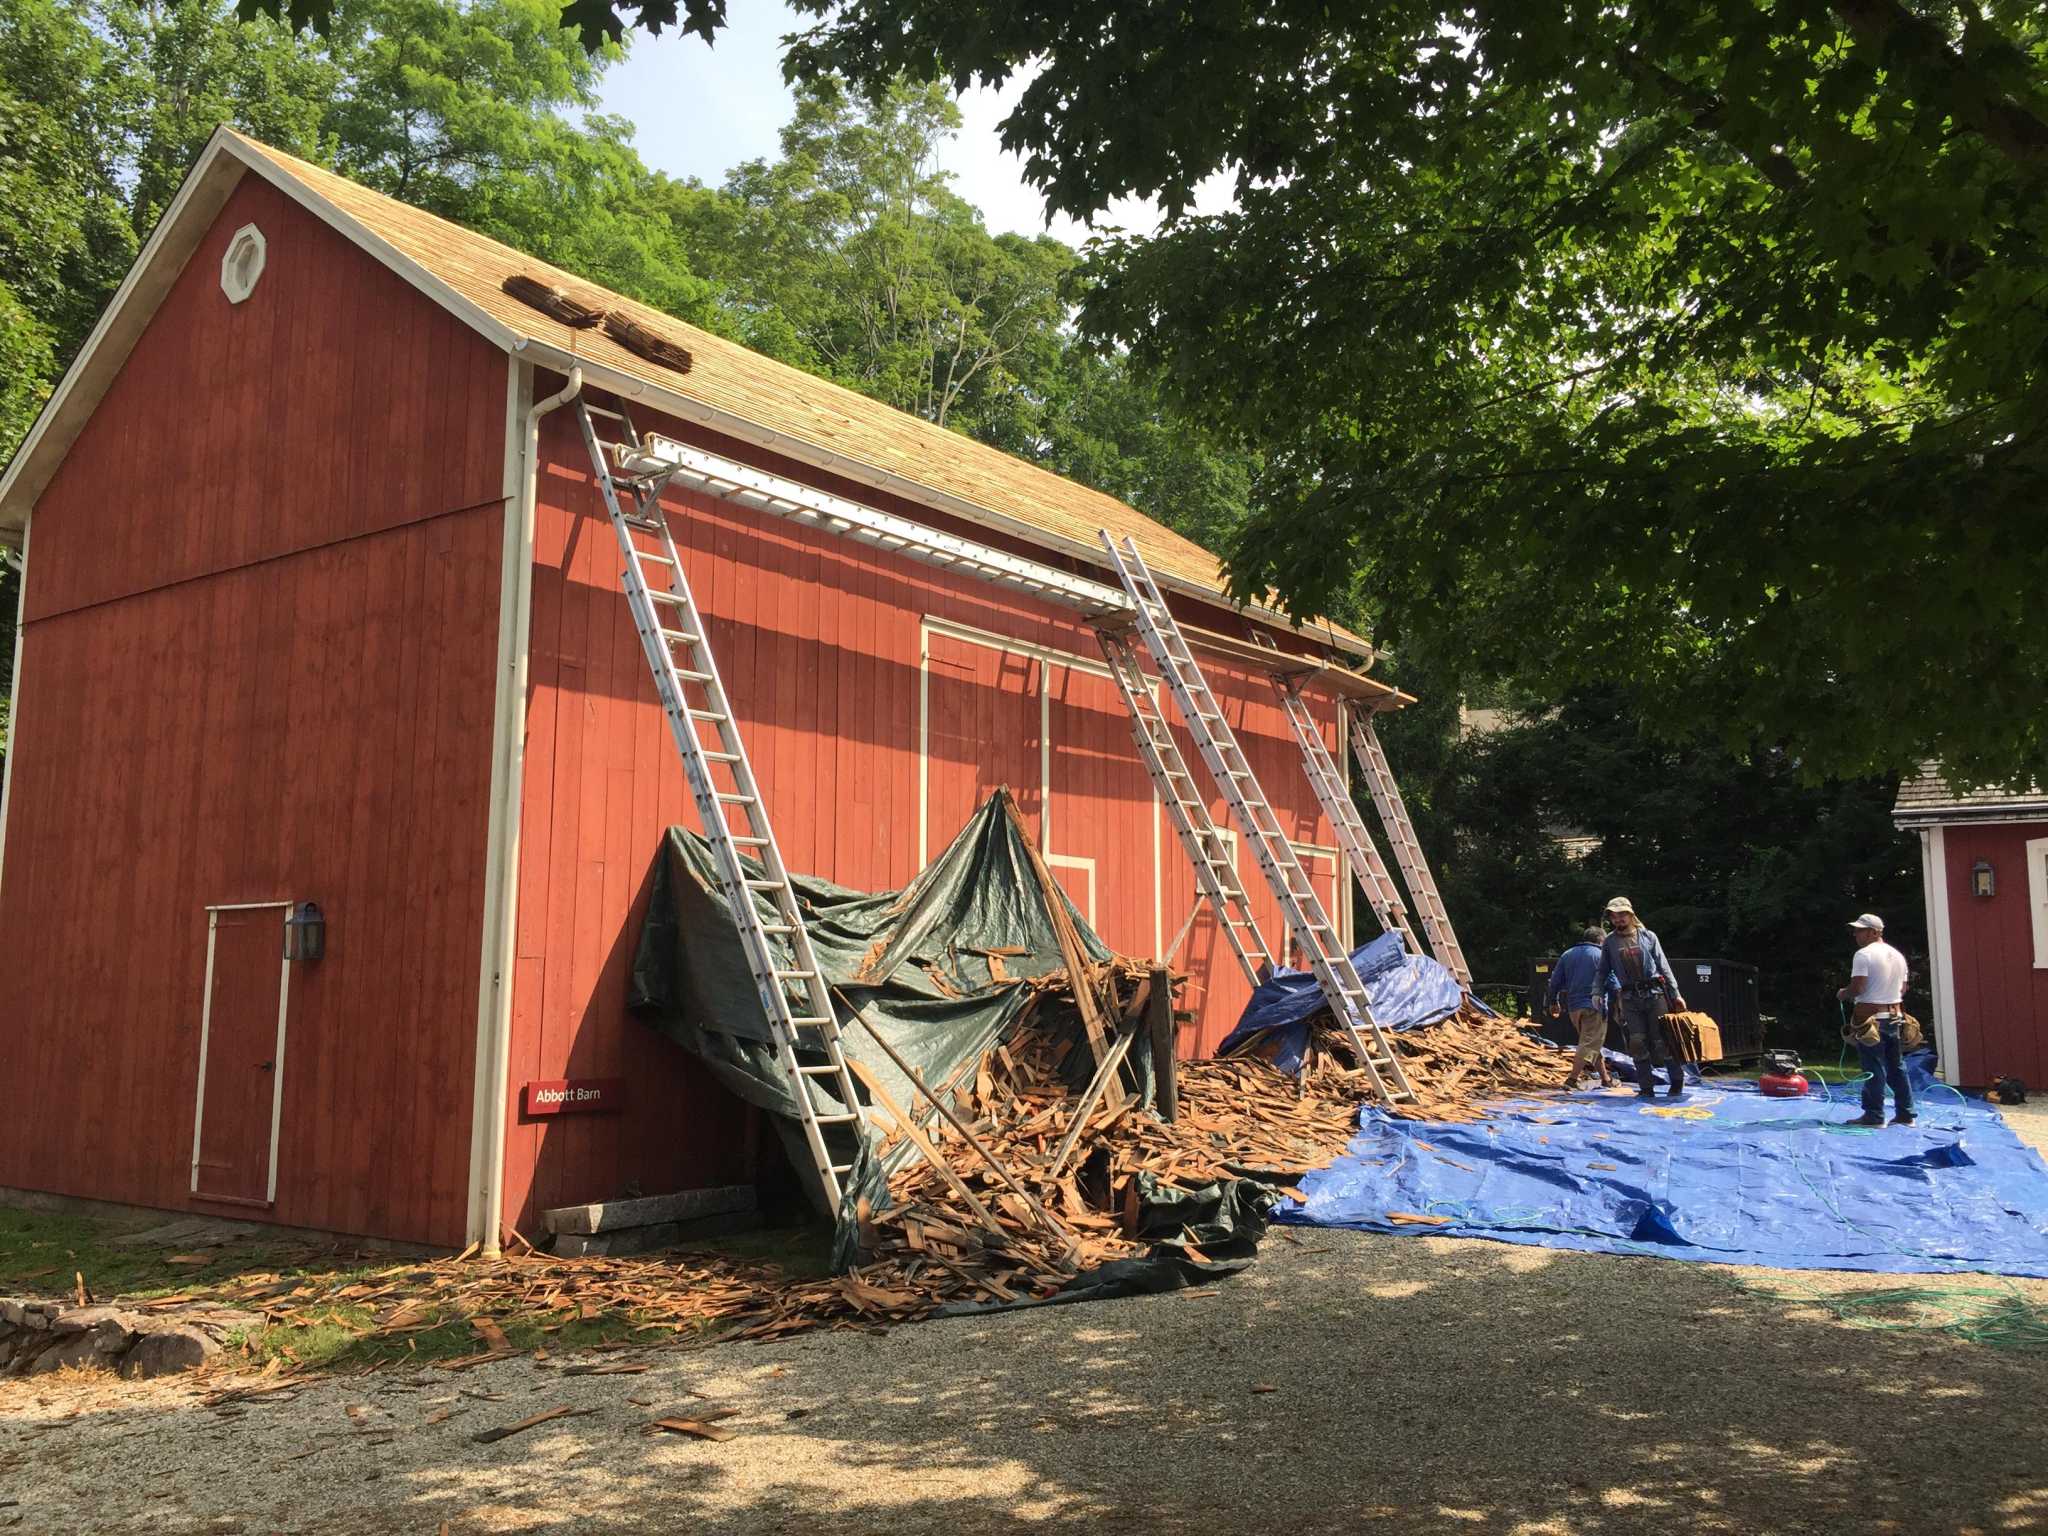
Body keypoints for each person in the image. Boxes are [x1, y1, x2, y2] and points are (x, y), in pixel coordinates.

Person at [1600, 897, 1689, 1098]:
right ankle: (1646, 1087)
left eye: (1622, 914)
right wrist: (1597, 993)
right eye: (1614, 916)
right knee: (1637, 1042)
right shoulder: (1610, 942)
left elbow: (1664, 966)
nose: (1618, 919)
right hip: (1630, 999)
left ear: (1631, 915)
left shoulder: (1649, 937)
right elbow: (1602, 971)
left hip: (1655, 995)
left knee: (1662, 1041)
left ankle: (1677, 1081)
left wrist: (1676, 995)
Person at [1838, 913, 1914, 1127]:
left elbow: (1858, 988)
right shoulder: (1898, 955)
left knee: (1873, 1067)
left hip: (1871, 1021)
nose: (1855, 934)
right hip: (1895, 1017)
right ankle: (1905, 1115)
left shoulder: (1863, 955)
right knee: (1897, 1067)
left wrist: (1844, 993)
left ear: (1874, 932)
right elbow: (1903, 989)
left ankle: (1874, 1116)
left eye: (1860, 930)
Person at [1547, 926, 1615, 1091]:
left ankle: (1605, 1079)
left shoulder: (1567, 954)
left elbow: (1554, 981)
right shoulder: (1601, 955)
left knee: (1590, 1043)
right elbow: (1612, 980)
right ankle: (1572, 1079)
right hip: (1595, 1007)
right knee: (1588, 1044)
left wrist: (1553, 1001)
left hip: (1574, 1008)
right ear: (1600, 940)